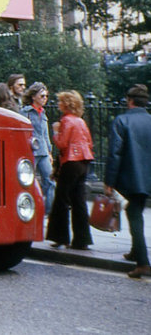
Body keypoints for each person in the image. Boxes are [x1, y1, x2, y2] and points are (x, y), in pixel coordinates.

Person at [104, 84, 151, 278]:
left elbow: (115, 154)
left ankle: (142, 263)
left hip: (131, 178)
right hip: (147, 177)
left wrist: (109, 182)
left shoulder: (121, 121)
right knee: (136, 211)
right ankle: (135, 251)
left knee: (134, 213)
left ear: (129, 101)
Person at [46, 90, 94, 251]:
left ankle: (60, 238)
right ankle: (82, 240)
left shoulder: (66, 121)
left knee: (62, 199)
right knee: (79, 201)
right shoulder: (80, 121)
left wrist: (55, 131)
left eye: (60, 102)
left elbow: (62, 144)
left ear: (67, 104)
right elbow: (89, 143)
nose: (58, 104)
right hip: (83, 163)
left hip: (71, 162)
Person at [20, 82, 55, 214]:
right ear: (34, 96)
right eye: (42, 96)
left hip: (44, 152)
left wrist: (50, 152)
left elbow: (45, 134)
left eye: (46, 96)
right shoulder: (26, 112)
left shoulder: (43, 113)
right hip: (31, 151)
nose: (44, 98)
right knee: (27, 181)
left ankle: (49, 210)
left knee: (50, 181)